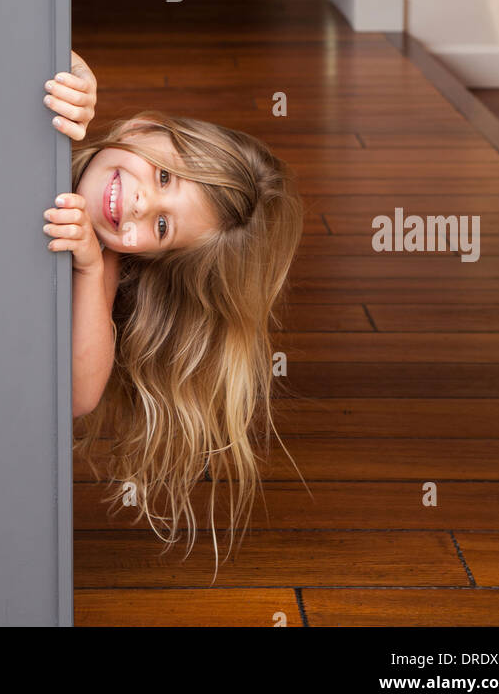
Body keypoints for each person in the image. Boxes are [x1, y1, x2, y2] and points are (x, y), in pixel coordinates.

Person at [42, 53, 306, 570]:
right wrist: (69, 73)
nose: (141, 205)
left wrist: (92, 272)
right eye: (163, 176)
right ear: (142, 128)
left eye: (162, 228)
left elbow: (79, 394)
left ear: (154, 258)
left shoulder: (104, 257)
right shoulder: (58, 129)